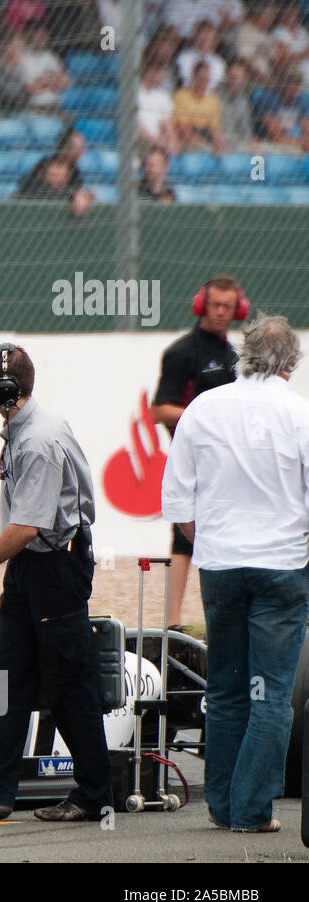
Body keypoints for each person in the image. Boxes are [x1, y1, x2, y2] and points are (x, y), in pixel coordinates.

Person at [0, 344, 111, 821]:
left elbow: (26, 527)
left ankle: (96, 794)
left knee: (68, 681)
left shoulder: (36, 442)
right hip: (32, 565)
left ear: (7, 390)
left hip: (56, 565)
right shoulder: (19, 429)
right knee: (6, 673)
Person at [161, 314, 309, 833]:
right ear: (290, 362)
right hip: (283, 567)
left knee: (224, 689)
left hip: (221, 566)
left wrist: (212, 543)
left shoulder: (203, 408)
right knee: (270, 694)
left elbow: (177, 499)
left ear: (242, 355)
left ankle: (222, 806)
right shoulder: (298, 413)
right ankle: (250, 810)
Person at [151, 275, 244, 629]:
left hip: (228, 460)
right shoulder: (181, 353)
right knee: (182, 534)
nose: (221, 312)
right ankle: (172, 621)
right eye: (216, 305)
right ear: (202, 305)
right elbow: (161, 409)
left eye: (228, 306)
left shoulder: (234, 354)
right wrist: (208, 421)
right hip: (192, 456)